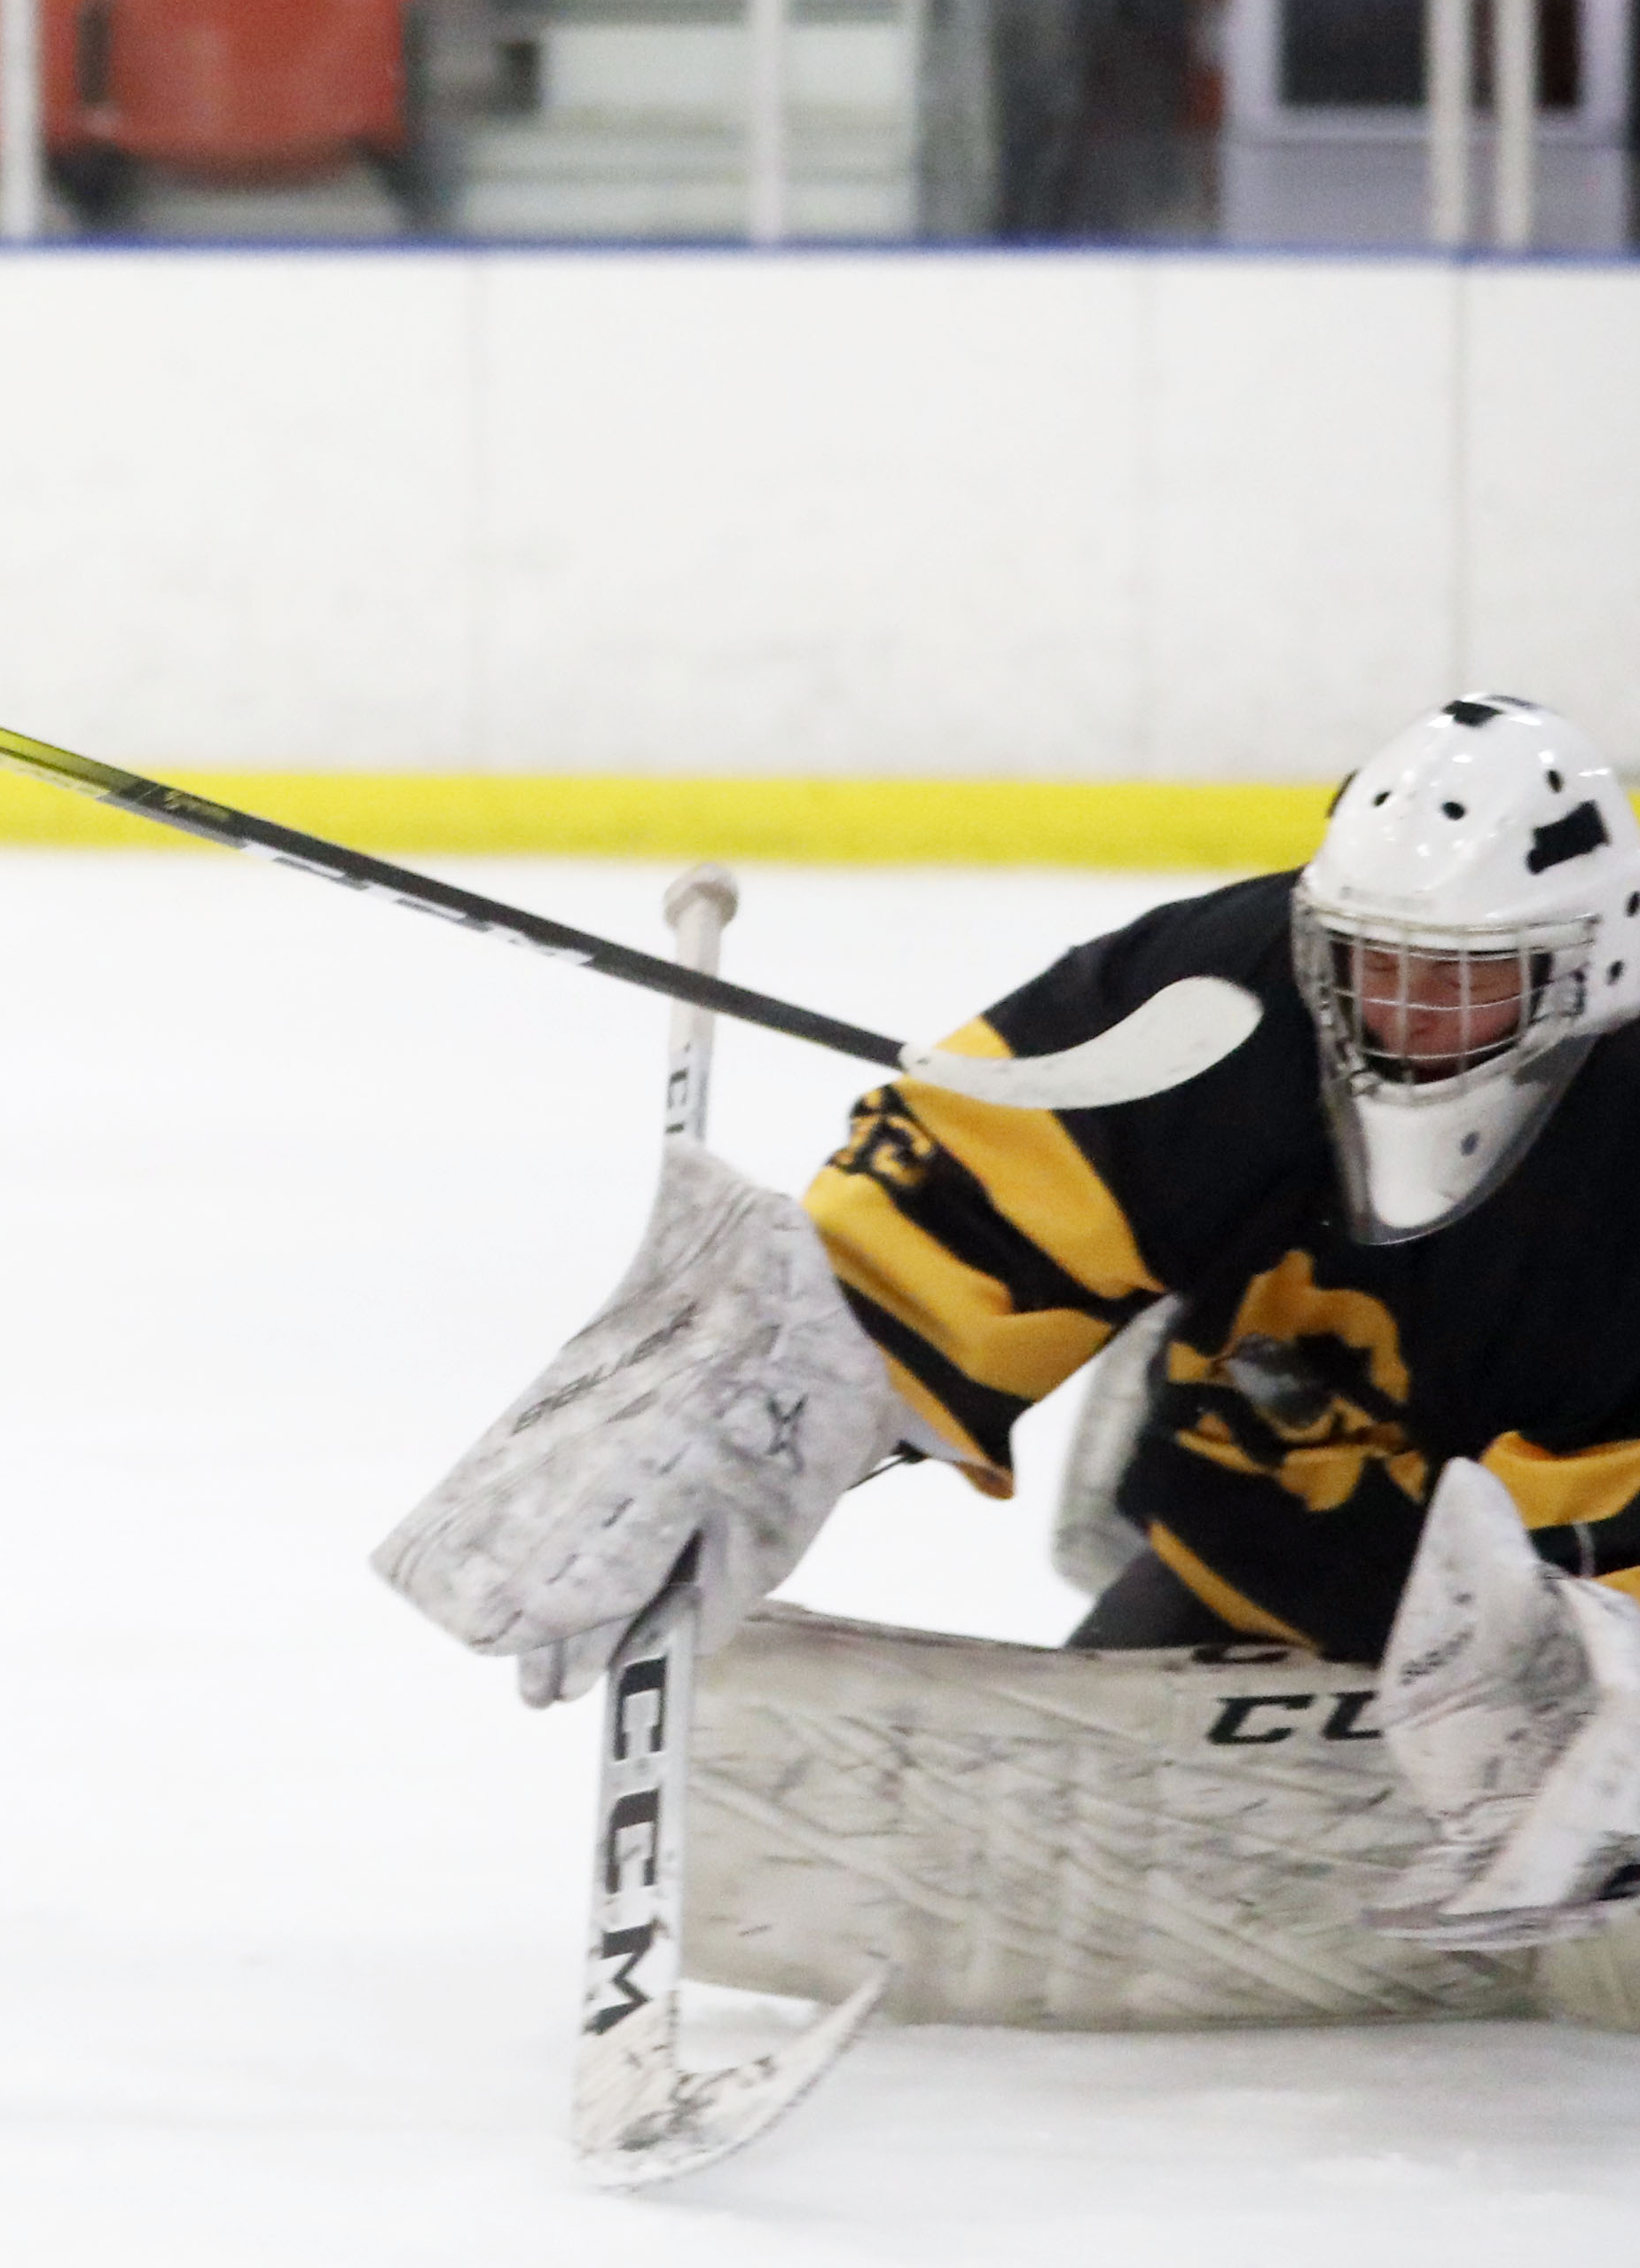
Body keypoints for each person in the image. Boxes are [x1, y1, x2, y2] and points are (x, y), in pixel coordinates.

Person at [399, 692, 1640, 1950]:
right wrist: (743, 1389)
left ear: (1588, 969)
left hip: (1565, 1583)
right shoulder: (1211, 994)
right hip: (1258, 1533)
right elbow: (963, 1196)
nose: (1396, 1018)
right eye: (1370, 964)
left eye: (1461, 984)